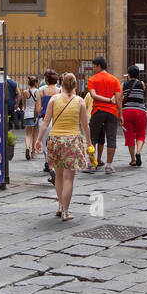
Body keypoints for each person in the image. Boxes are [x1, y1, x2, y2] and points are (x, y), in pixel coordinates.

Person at [42, 73, 91, 220]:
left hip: (55, 140)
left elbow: (45, 122)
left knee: (58, 176)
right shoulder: (80, 101)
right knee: (69, 178)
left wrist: (38, 140)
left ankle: (60, 205)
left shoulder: (54, 99)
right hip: (72, 141)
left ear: (61, 84)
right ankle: (65, 211)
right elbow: (85, 125)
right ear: (75, 85)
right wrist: (89, 141)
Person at [86, 56, 122, 175]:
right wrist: (120, 114)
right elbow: (118, 99)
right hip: (112, 112)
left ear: (98, 66)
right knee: (111, 138)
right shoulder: (115, 80)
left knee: (93, 139)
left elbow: (94, 95)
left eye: (94, 66)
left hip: (98, 111)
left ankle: (91, 165)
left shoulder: (92, 79)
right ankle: (109, 166)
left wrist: (106, 100)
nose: (93, 68)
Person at [34, 69, 61, 179]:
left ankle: (51, 168)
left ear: (46, 79)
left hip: (45, 120)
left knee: (46, 146)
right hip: (57, 120)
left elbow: (38, 109)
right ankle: (58, 167)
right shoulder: (60, 91)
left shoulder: (41, 92)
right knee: (57, 145)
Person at [122, 64, 147, 166]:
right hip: (140, 111)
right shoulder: (142, 84)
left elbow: (120, 99)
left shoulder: (123, 85)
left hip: (127, 112)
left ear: (128, 75)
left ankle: (133, 159)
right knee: (141, 134)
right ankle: (138, 152)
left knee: (130, 135)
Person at [22, 76, 40, 160]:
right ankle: (33, 152)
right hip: (35, 115)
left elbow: (23, 105)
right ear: (36, 83)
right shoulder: (38, 92)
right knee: (35, 134)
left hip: (27, 114)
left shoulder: (25, 92)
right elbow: (39, 105)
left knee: (28, 134)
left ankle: (27, 148)